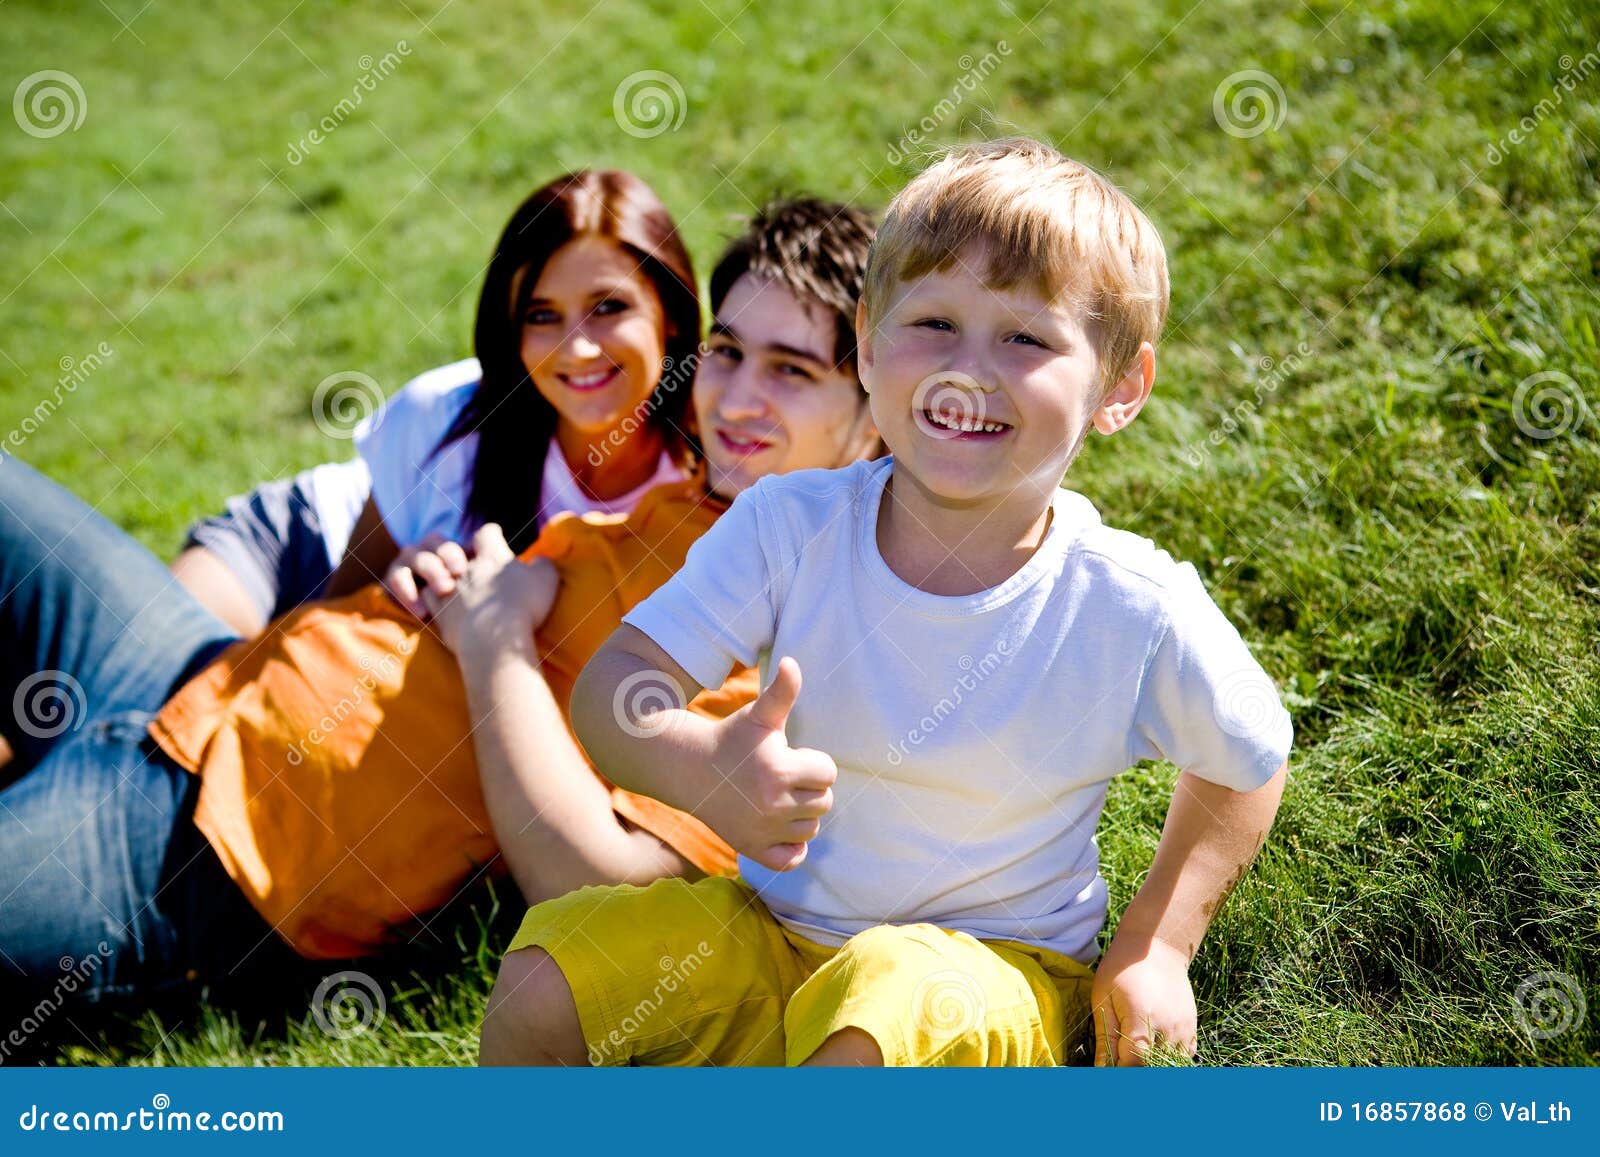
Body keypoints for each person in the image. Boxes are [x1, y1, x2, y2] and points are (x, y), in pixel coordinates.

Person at [482, 139, 1294, 1068]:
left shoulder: (1129, 603)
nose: (968, 370)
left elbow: (1249, 756)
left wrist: (1158, 944)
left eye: (1026, 338)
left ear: (1120, 388)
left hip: (992, 975)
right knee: (547, 972)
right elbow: (615, 687)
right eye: (934, 323)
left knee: (878, 1018)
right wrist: (698, 763)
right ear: (868, 343)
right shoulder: (787, 523)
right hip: (776, 937)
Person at [0, 198, 879, 1015]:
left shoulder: (792, 638)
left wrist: (498, 639)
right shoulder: (709, 489)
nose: (735, 397)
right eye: (726, 352)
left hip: (208, 852)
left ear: (873, 415)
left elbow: (602, 889)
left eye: (792, 370)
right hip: (191, 671)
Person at [170, 169, 701, 637]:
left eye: (608, 307)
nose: (578, 348)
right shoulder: (443, 417)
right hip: (300, 542)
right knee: (174, 685)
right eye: (542, 315)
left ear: (670, 311)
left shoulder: (715, 465)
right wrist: (397, 595)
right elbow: (332, 619)